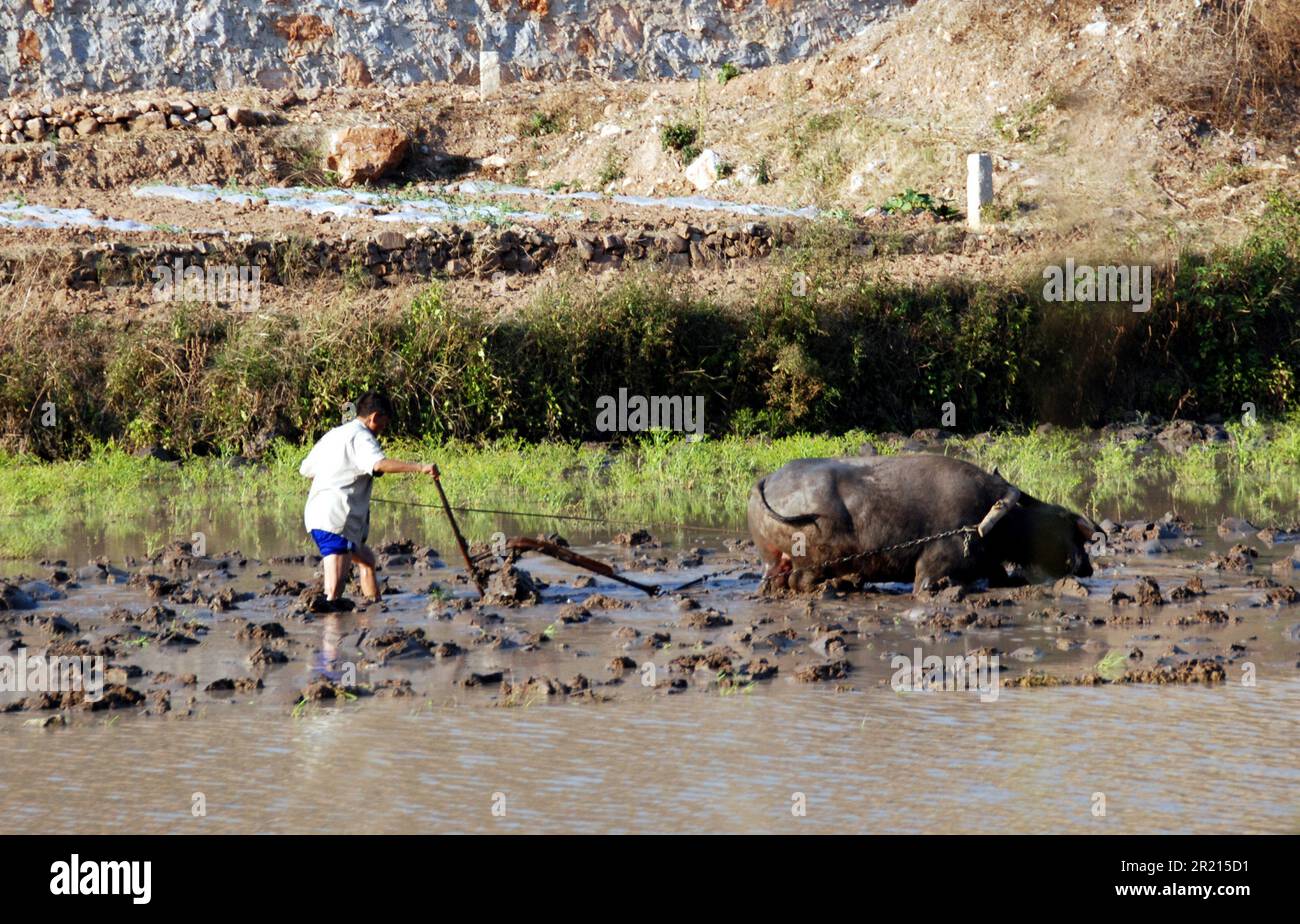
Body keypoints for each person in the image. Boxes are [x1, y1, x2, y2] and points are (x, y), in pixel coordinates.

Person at [300, 391, 438, 608]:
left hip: (317, 516)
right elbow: (378, 464)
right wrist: (419, 467)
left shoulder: (335, 434)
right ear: (374, 417)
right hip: (337, 521)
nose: (383, 429)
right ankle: (330, 636)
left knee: (367, 561)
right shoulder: (362, 436)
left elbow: (306, 469)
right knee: (333, 594)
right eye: (383, 423)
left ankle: (374, 609)